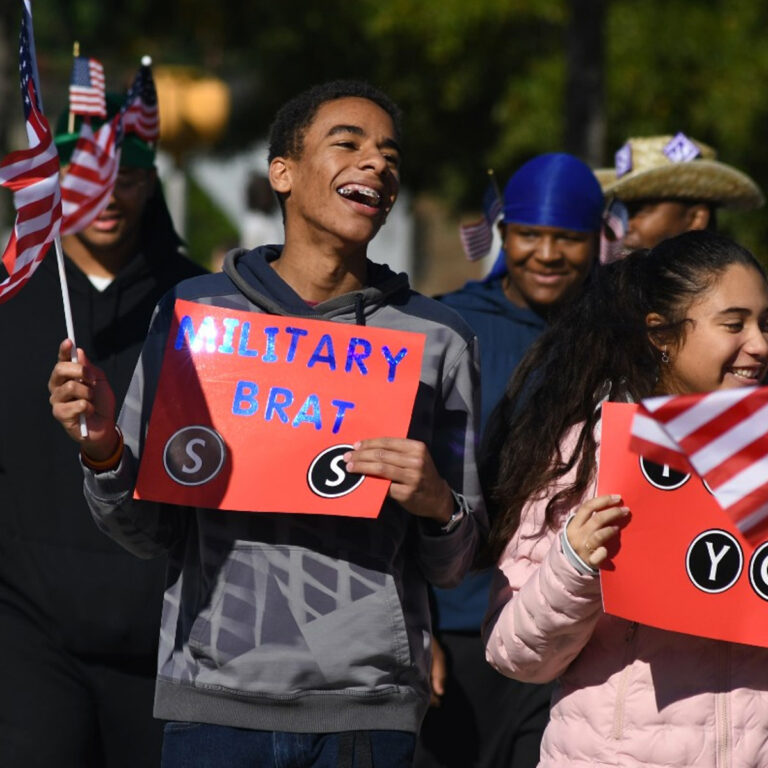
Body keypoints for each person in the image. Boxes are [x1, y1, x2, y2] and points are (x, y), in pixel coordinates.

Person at [49, 79, 487, 768]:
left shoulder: (438, 340)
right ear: (281, 171)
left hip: (366, 716)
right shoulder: (197, 318)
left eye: (391, 157)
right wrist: (105, 450)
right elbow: (148, 532)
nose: (377, 165)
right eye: (348, 144)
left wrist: (437, 504)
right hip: (213, 706)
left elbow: (455, 564)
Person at [482, 229, 768, 767]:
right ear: (660, 334)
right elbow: (514, 653)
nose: (760, 344)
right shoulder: (586, 452)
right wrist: (574, 564)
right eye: (735, 324)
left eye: (765, 323)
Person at [0, 98, 205, 767]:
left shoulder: (205, 304)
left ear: (151, 183)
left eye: (129, 174)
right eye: (86, 172)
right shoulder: (8, 296)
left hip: (167, 643)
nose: (109, 194)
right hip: (27, 635)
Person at [416, 153, 604, 768]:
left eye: (569, 238)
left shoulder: (616, 341)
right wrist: (418, 627)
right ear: (503, 232)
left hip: (566, 634)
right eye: (529, 234)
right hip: (456, 628)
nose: (547, 254)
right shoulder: (444, 328)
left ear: (598, 239)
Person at [595, 133, 764, 251]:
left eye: (641, 210)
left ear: (696, 218)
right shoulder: (614, 293)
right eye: (623, 211)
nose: (625, 226)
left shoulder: (728, 295)